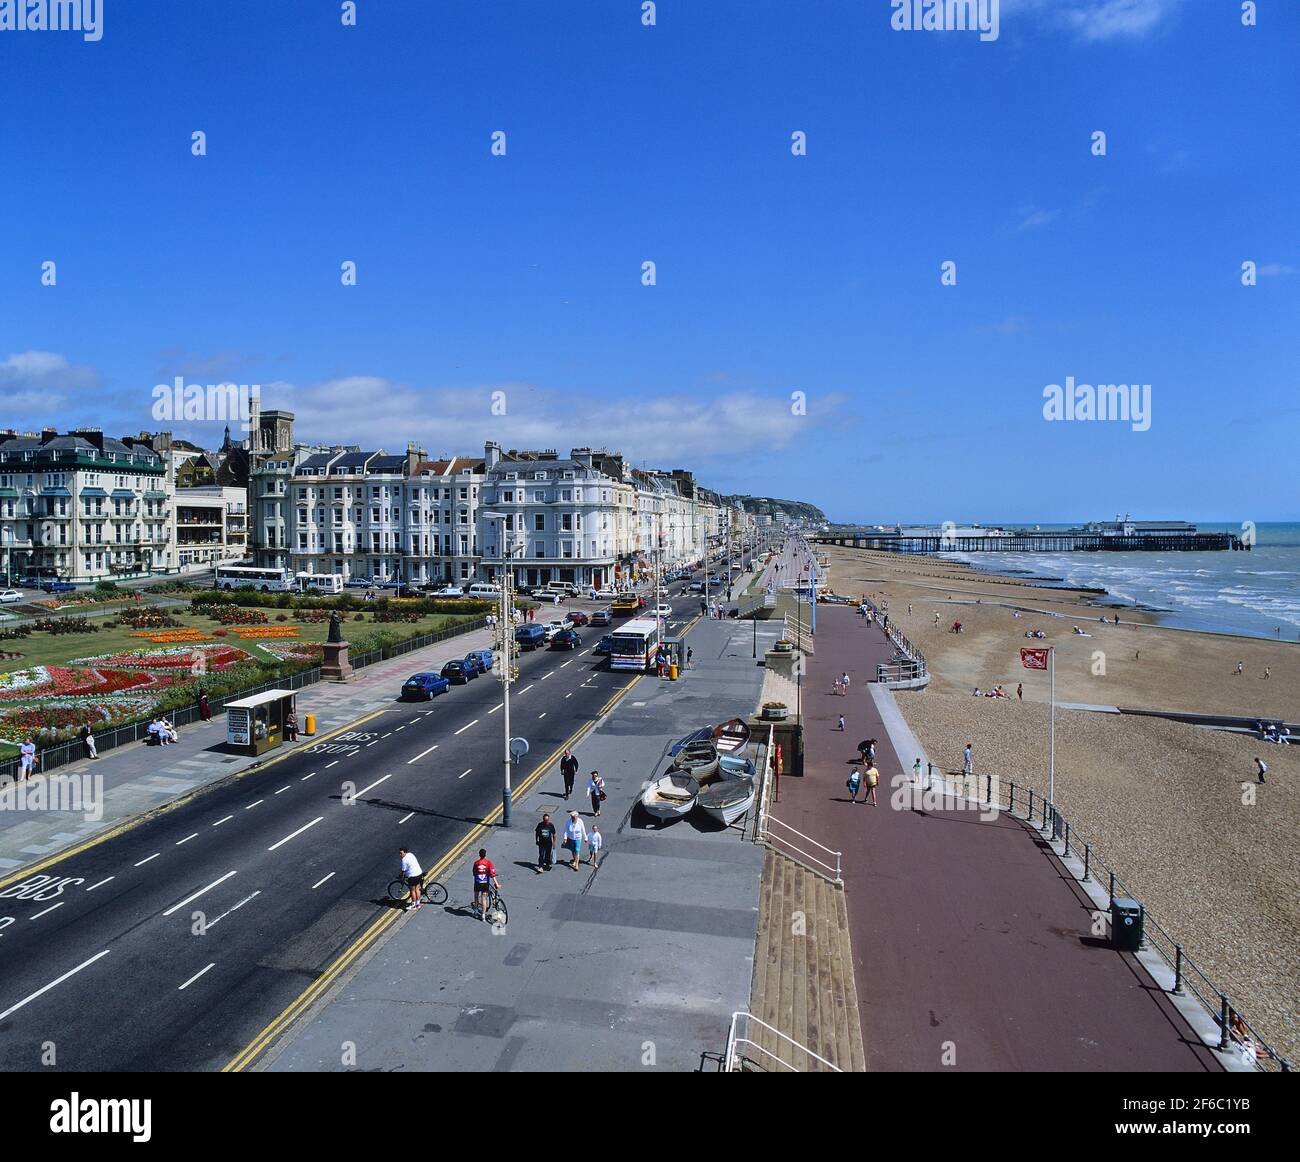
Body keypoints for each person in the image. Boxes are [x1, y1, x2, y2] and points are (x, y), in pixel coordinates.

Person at [471, 848, 499, 920]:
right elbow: (492, 874)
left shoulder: (476, 863)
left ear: (479, 855)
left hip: (477, 883)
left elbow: (474, 872)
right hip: (485, 883)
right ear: (485, 855)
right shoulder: (488, 863)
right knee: (484, 899)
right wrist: (497, 883)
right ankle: (483, 915)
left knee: (476, 897)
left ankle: (476, 911)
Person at [398, 847, 423, 911]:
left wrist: (401, 876)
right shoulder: (410, 854)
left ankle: (413, 905)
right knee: (417, 889)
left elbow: (403, 870)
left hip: (413, 876)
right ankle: (418, 904)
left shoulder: (404, 860)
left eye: (401, 853)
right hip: (419, 873)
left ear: (405, 852)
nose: (400, 855)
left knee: (412, 890)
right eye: (399, 853)